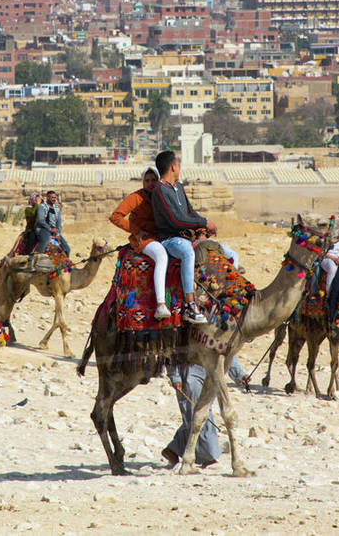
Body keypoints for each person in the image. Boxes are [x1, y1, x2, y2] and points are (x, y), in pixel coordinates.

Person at [151, 150, 215, 325]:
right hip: (170, 239)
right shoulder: (160, 190)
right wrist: (204, 221)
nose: (179, 168)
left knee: (222, 250)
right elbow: (176, 220)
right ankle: (190, 305)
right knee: (187, 252)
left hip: (186, 235)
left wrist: (202, 228)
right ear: (173, 166)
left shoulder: (178, 187)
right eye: (178, 164)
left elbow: (190, 212)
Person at [109, 167, 173, 319]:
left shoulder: (163, 195)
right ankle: (160, 304)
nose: (151, 183)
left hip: (163, 236)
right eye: (147, 180)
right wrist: (136, 231)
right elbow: (116, 216)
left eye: (153, 180)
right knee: (161, 256)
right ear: (143, 182)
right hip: (144, 239)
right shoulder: (136, 197)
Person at [161, 357, 246, 468]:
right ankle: (208, 456)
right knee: (198, 413)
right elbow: (174, 347)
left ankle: (173, 449)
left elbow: (227, 351)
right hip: (189, 372)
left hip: (213, 374)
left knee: (199, 414)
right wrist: (175, 376)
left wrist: (239, 374)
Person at [33, 190, 69, 256]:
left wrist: (58, 233)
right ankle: (37, 255)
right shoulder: (42, 207)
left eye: (55, 197)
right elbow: (40, 220)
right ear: (47, 197)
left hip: (54, 231)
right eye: (52, 197)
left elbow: (58, 222)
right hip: (42, 229)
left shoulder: (57, 209)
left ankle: (66, 264)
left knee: (66, 248)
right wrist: (50, 229)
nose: (54, 199)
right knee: (45, 241)